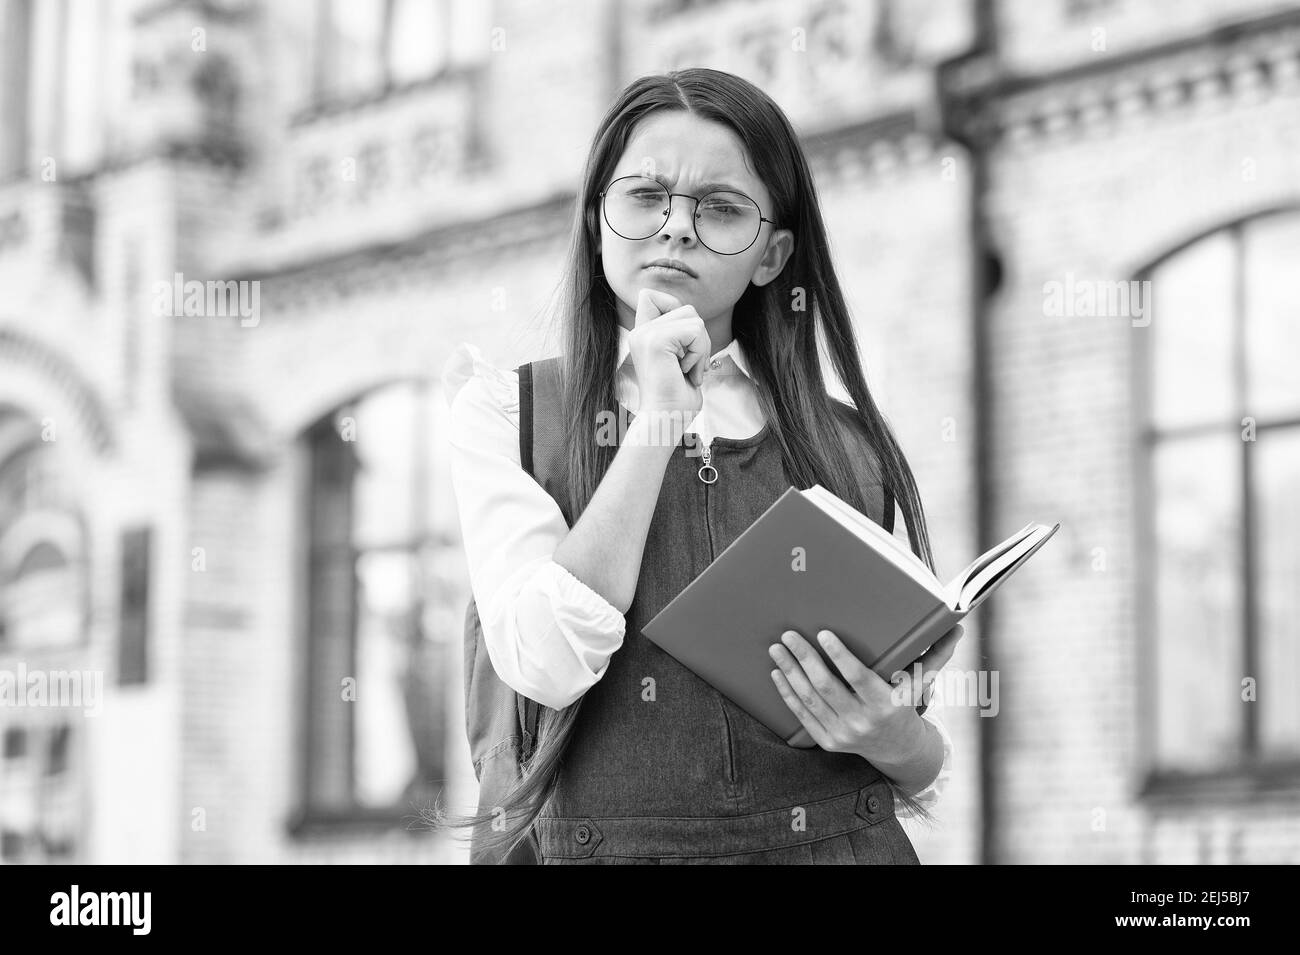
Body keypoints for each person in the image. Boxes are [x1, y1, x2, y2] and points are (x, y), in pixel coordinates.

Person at [438, 68, 963, 864]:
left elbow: (918, 765)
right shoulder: (506, 415)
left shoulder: (848, 444)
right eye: (646, 195)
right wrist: (659, 422)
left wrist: (892, 731)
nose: (676, 227)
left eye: (720, 208)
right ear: (597, 219)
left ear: (771, 255)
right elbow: (543, 662)